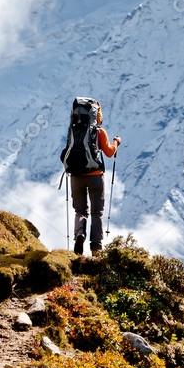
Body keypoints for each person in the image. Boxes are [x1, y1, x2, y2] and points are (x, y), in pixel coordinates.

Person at [69, 101, 121, 256]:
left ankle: (79, 235)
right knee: (96, 213)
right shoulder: (99, 132)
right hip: (95, 177)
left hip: (76, 177)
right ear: (96, 115)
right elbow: (110, 153)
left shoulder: (73, 130)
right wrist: (116, 142)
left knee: (80, 211)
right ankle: (96, 247)